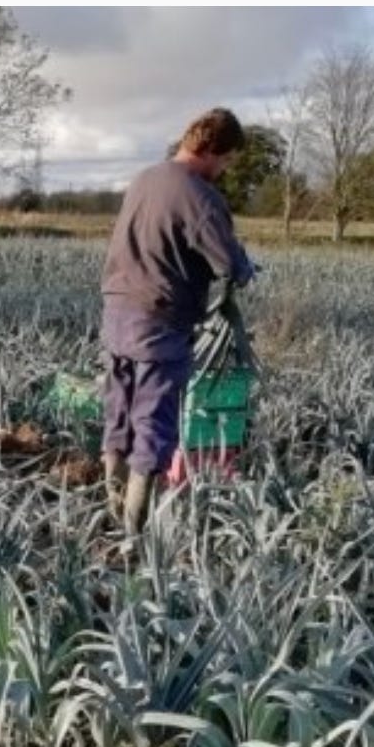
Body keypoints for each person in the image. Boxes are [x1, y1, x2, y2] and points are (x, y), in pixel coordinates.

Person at [99, 108, 255, 537]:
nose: (224, 170)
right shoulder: (200, 196)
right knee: (153, 423)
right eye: (226, 161)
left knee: (119, 413)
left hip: (116, 312)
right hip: (159, 322)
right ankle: (134, 533)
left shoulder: (145, 178)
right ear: (212, 151)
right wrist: (245, 267)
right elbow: (228, 264)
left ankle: (109, 512)